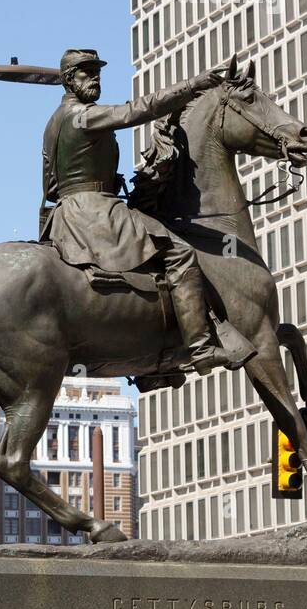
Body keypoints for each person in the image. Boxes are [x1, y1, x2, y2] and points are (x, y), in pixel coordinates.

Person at [39, 48, 240, 373]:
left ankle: (153, 370)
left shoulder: (52, 126)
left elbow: (50, 187)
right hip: (96, 214)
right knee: (180, 252)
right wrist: (197, 84)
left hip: (65, 217)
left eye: (97, 71)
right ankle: (201, 349)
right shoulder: (85, 115)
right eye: (85, 72)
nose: (94, 77)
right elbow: (139, 110)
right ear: (68, 80)